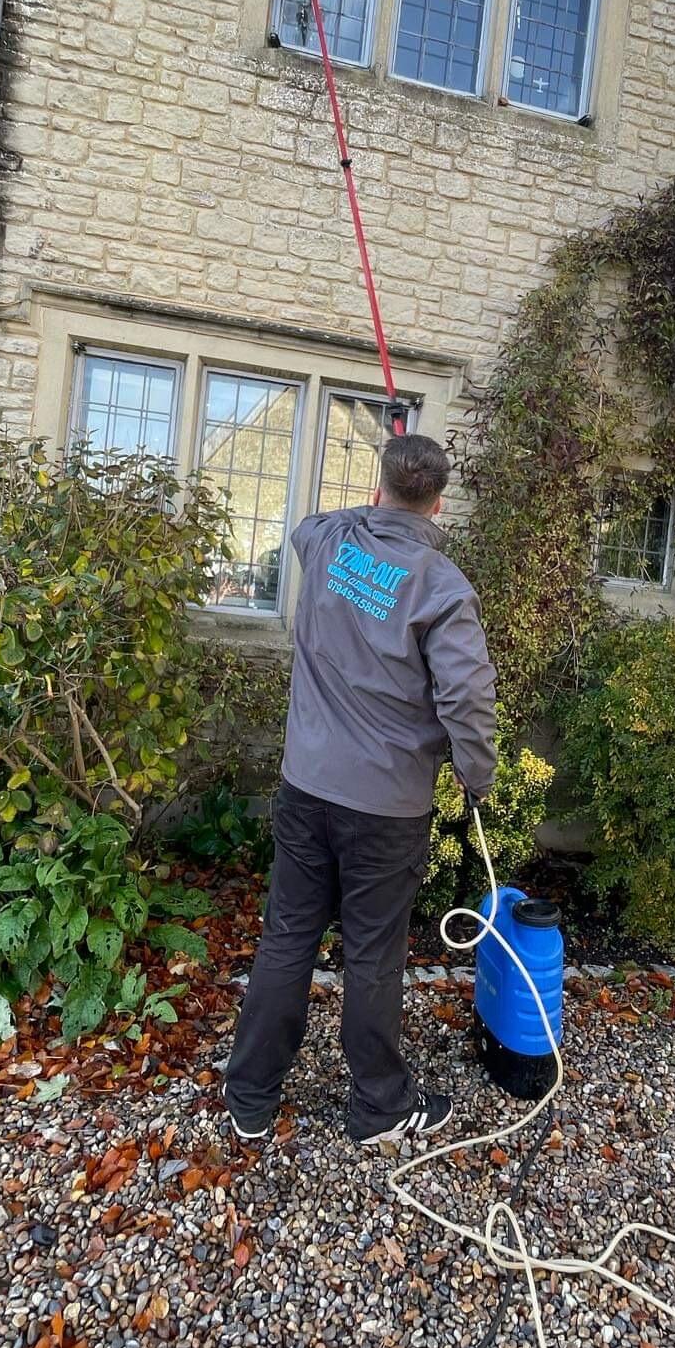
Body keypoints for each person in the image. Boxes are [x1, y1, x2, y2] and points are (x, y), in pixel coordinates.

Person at [224, 431, 497, 1147]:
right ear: (439, 504)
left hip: (308, 787)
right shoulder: (442, 587)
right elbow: (468, 701)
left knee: (288, 936)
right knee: (373, 955)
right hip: (384, 808)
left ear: (377, 490)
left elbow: (311, 524)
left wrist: (375, 509)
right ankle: (377, 1107)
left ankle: (250, 1095)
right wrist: (478, 777)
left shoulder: (332, 542)